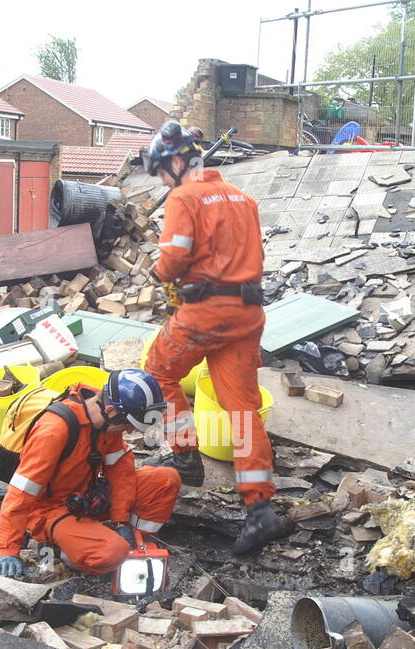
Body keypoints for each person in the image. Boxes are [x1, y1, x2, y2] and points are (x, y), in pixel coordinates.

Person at [141, 120, 291, 557]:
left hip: (205, 313)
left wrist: (159, 275)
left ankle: (186, 459)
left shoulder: (184, 197)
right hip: (247, 314)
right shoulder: (243, 198)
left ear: (175, 161)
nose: (162, 180)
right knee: (243, 410)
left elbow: (173, 257)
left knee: (158, 375)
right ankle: (260, 509)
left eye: (160, 171)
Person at [0, 369, 181, 580]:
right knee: (112, 552)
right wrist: (9, 550)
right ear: (110, 410)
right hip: (50, 510)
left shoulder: (107, 422)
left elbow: (121, 473)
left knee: (166, 480)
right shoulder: (54, 431)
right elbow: (22, 492)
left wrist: (121, 522)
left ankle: (135, 546)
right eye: (128, 424)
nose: (129, 431)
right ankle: (71, 553)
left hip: (85, 496)